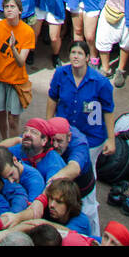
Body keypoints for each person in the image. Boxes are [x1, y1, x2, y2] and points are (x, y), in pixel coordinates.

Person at [47, 41, 116, 174]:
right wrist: (49, 124)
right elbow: (52, 97)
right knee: (59, 167)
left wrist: (111, 139)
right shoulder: (60, 73)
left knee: (85, 172)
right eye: (73, 53)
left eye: (80, 53)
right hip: (64, 133)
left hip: (90, 136)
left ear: (87, 57)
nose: (76, 56)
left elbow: (108, 111)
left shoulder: (101, 82)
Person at [0, 0, 35, 139]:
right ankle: (4, 141)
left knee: (13, 121)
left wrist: (13, 48)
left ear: (20, 11)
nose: (9, 10)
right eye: (6, 7)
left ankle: (13, 147)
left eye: (12, 7)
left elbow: (21, 62)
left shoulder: (27, 32)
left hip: (16, 81)